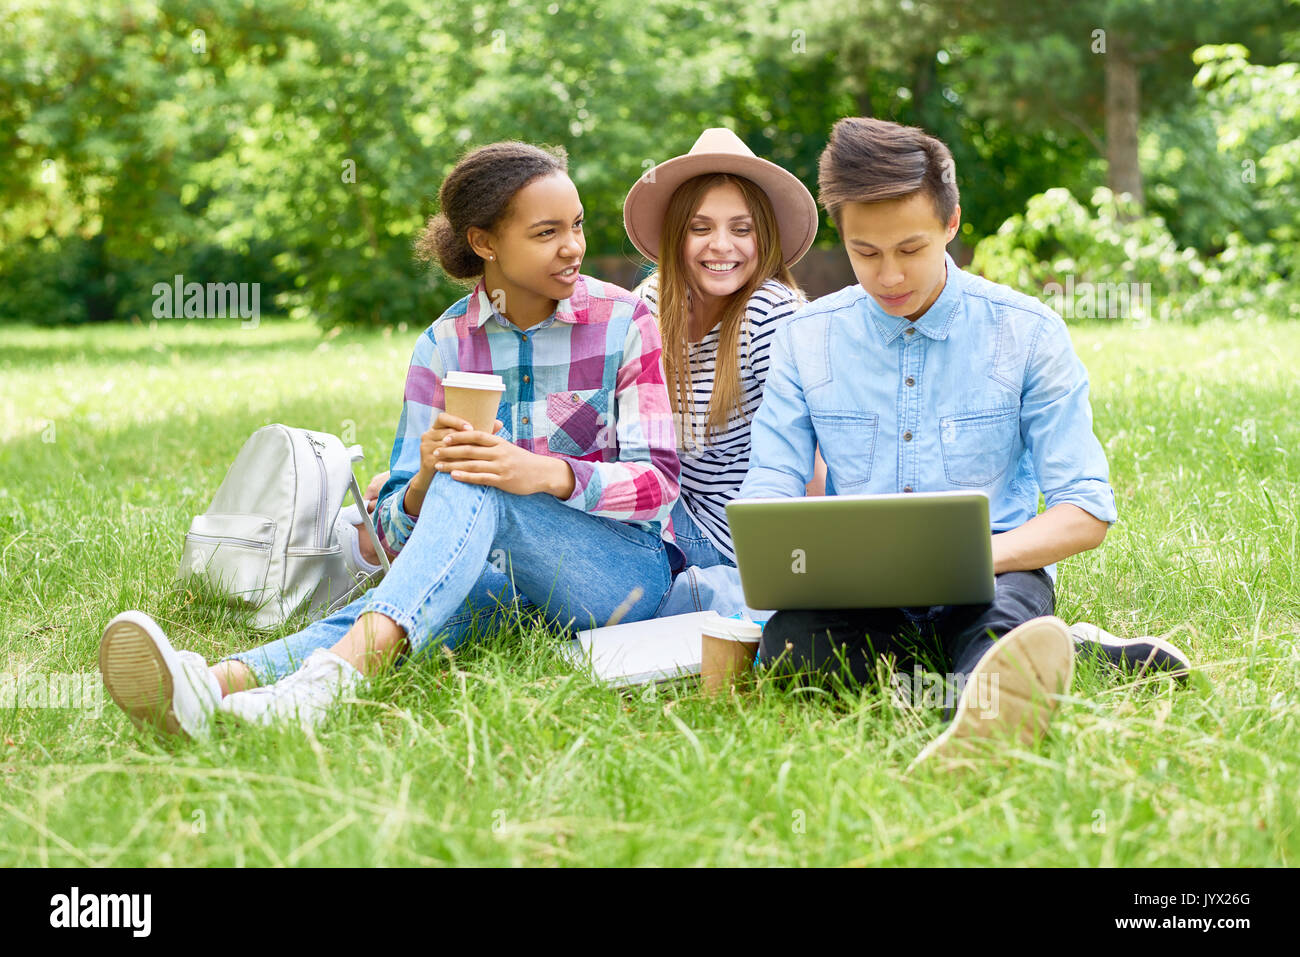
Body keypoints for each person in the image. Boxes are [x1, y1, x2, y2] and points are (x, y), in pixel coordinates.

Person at [98, 141, 680, 738]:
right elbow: (393, 535)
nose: (573, 246)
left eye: (576, 225)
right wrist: (425, 479)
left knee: (477, 475)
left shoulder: (625, 323)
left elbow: (660, 485)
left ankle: (331, 684)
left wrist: (542, 474)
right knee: (399, 600)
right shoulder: (444, 343)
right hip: (496, 581)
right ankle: (213, 687)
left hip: (617, 579)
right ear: (485, 243)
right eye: (546, 232)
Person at [736, 117, 1192, 771]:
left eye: (911, 248)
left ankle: (1005, 667)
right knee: (793, 652)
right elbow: (769, 493)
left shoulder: (1028, 332)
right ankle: (1032, 665)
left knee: (998, 624)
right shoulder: (807, 340)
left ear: (952, 225)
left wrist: (981, 554)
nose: (889, 274)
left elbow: (1086, 510)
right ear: (842, 236)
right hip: (865, 593)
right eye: (866, 252)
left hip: (995, 573)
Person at [620, 128, 826, 617]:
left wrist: (805, 571)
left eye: (741, 228)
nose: (721, 246)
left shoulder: (770, 315)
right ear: (676, 234)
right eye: (700, 227)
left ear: (764, 237)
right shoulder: (651, 304)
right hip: (665, 517)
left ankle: (704, 597)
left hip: (735, 540)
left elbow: (815, 452)